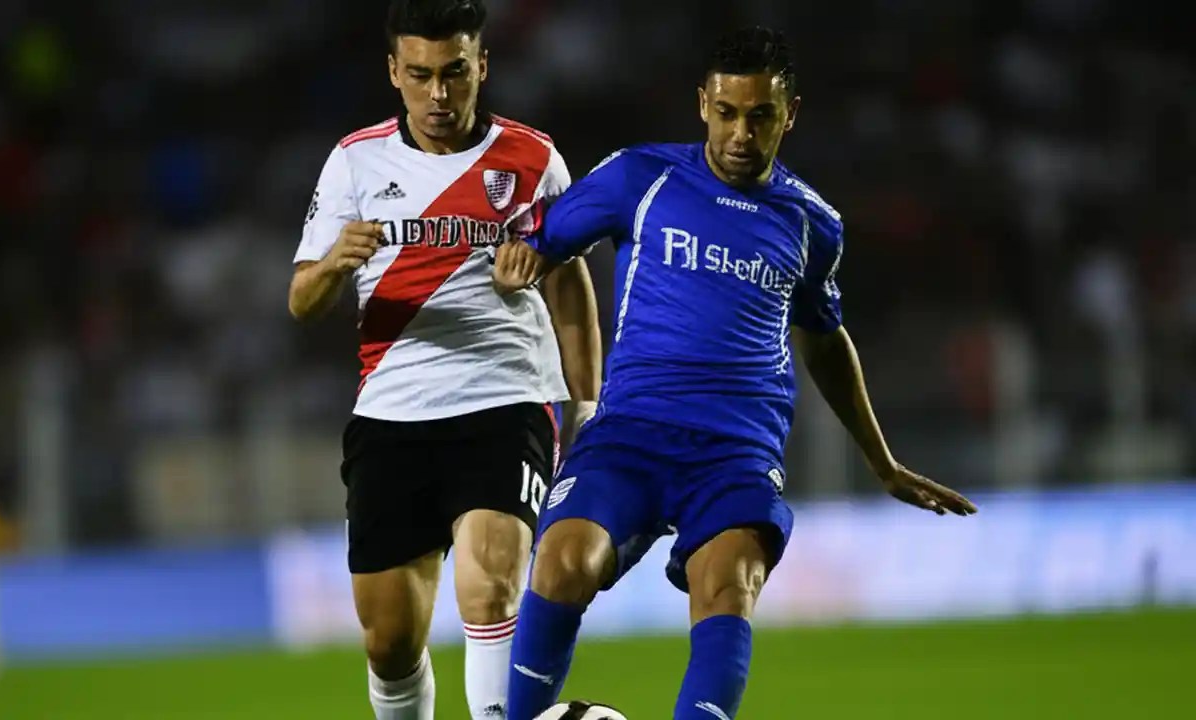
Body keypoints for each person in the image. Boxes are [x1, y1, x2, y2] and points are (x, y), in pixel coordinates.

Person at [493, 26, 977, 720]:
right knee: (564, 561)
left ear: (790, 114)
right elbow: (537, 239)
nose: (741, 134)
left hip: (735, 452)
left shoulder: (813, 224)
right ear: (703, 104)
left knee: (728, 584)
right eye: (726, 113)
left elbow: (824, 340)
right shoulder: (640, 178)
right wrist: (523, 258)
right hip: (632, 430)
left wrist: (883, 462)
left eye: (760, 116)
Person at [287, 1, 600, 718]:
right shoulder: (355, 161)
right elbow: (302, 299)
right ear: (394, 72)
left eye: (455, 72)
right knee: (390, 641)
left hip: (505, 399)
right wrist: (335, 263)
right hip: (392, 413)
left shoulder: (533, 159)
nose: (438, 93)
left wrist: (587, 403)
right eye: (421, 74)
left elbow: (571, 288)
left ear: (481, 67)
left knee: (491, 588)